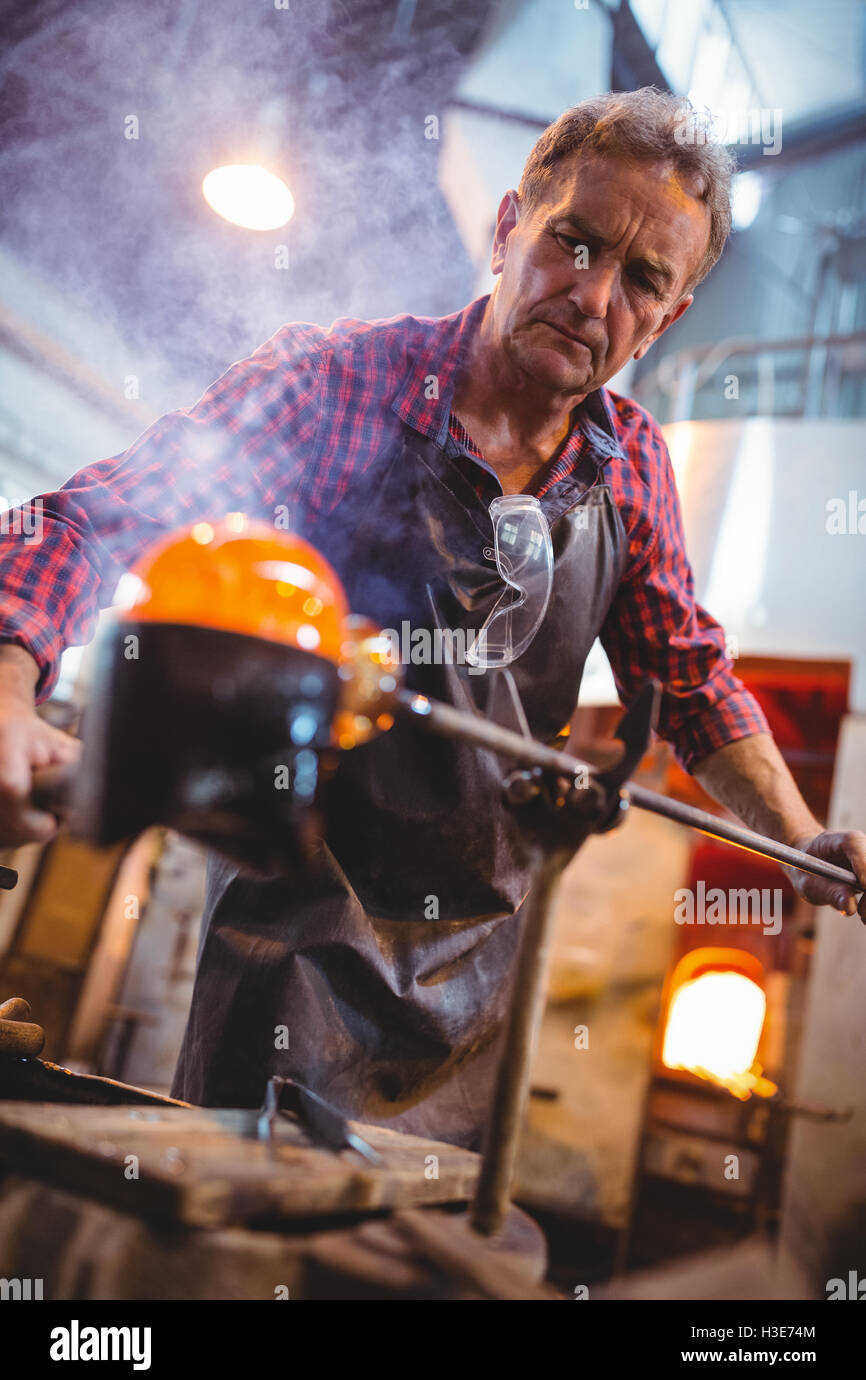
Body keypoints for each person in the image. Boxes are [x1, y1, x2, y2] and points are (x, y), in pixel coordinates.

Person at [0, 89, 863, 1148]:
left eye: (642, 278)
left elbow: (691, 684)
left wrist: (796, 840)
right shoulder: (335, 380)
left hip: (477, 994)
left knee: (438, 1227)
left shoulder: (633, 467)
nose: (592, 296)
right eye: (573, 243)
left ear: (670, 317)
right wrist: (8, 691)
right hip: (289, 950)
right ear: (508, 230)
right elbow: (86, 524)